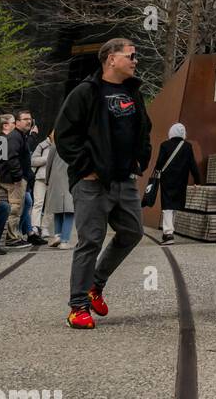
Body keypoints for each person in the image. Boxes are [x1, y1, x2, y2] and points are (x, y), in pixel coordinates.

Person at [55, 37, 151, 329]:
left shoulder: (133, 92)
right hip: (92, 183)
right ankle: (78, 307)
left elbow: (144, 129)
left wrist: (139, 161)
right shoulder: (86, 92)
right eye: (131, 55)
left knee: (132, 232)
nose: (135, 61)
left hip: (124, 179)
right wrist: (87, 168)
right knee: (91, 241)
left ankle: (95, 284)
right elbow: (64, 135)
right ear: (111, 58)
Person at [0, 110, 47, 247]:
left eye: (30, 119)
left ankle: (25, 234)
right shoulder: (15, 136)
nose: (28, 121)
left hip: (20, 179)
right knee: (15, 209)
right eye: (25, 119)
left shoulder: (21, 136)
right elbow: (11, 157)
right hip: (14, 180)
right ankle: (11, 238)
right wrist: (17, 177)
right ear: (17, 122)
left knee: (25, 204)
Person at [151, 123, 201, 243]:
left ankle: (168, 234)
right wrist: (197, 180)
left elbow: (159, 164)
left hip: (167, 179)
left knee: (167, 205)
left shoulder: (165, 145)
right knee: (174, 206)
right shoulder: (187, 146)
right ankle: (168, 231)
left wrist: (156, 174)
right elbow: (192, 164)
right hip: (181, 180)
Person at [42, 135, 74, 247]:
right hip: (71, 179)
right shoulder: (78, 143)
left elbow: (49, 164)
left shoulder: (56, 144)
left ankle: (58, 235)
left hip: (55, 179)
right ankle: (64, 241)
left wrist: (47, 180)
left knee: (58, 209)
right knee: (70, 211)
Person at [30, 130, 52, 237]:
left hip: (54, 180)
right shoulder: (42, 145)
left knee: (50, 206)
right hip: (41, 178)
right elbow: (33, 161)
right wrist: (46, 159)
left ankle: (45, 228)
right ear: (49, 134)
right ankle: (35, 226)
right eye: (53, 132)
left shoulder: (62, 146)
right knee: (38, 203)